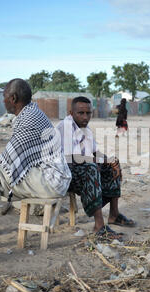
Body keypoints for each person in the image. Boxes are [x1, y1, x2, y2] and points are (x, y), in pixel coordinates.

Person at [0, 79, 72, 250]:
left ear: (13, 98)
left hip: (52, 180)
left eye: (4, 96)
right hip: (44, 175)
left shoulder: (30, 118)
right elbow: (14, 154)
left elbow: (10, 156)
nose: (3, 100)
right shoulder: (29, 113)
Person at [56, 96, 136, 240]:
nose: (85, 117)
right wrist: (97, 161)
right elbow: (70, 158)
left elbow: (94, 152)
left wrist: (109, 160)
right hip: (64, 174)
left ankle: (114, 215)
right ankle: (99, 226)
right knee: (91, 168)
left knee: (112, 165)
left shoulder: (86, 129)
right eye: (81, 113)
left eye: (88, 113)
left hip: (80, 169)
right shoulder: (64, 127)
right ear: (71, 113)